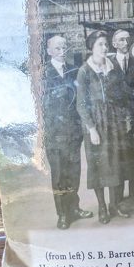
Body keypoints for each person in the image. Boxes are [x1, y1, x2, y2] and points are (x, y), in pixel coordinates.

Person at [76, 30, 133, 224]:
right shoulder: (84, 71)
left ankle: (115, 205)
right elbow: (81, 104)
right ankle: (102, 208)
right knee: (99, 167)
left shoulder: (113, 67)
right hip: (96, 124)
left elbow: (122, 94)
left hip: (114, 121)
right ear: (92, 47)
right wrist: (91, 129)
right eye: (100, 44)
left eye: (106, 44)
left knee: (117, 164)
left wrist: (125, 117)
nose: (104, 47)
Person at [42, 35, 92, 229]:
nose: (62, 50)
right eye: (57, 48)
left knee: (74, 172)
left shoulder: (73, 70)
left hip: (73, 132)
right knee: (59, 174)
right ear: (49, 51)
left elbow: (81, 98)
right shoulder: (43, 73)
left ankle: (75, 208)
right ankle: (62, 214)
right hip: (54, 134)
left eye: (64, 47)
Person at [111, 29, 134, 202]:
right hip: (117, 117)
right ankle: (118, 196)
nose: (125, 43)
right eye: (121, 40)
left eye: (127, 40)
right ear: (114, 44)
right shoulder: (108, 63)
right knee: (119, 155)